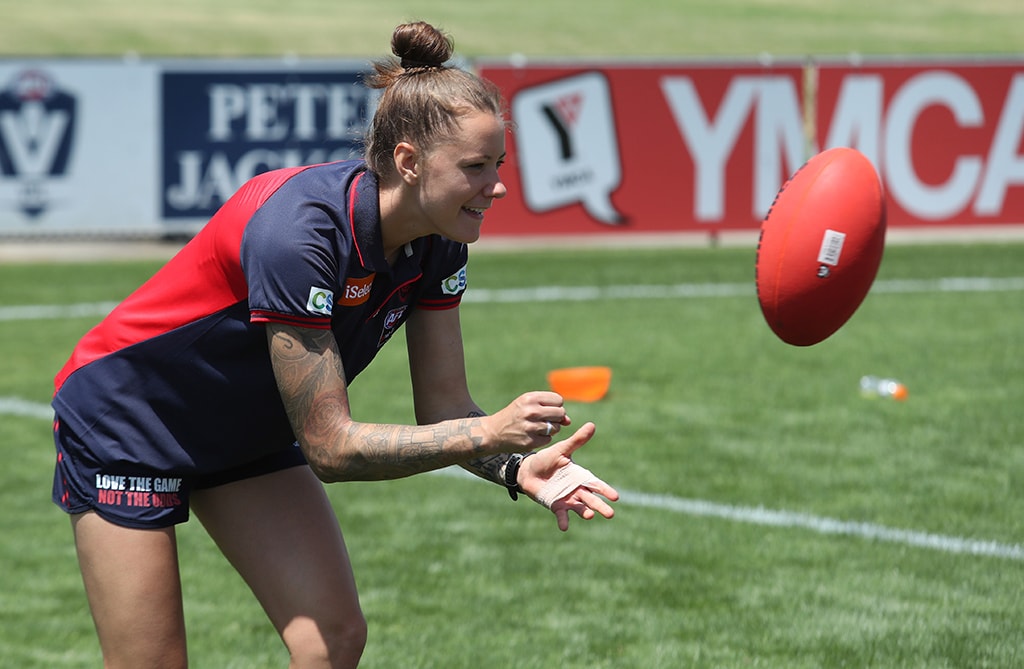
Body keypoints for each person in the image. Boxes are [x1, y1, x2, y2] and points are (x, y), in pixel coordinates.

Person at [50, 20, 619, 669]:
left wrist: (517, 468)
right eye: (475, 167)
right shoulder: (301, 234)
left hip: (244, 432)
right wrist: (491, 434)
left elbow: (444, 404)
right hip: (130, 419)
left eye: (498, 165)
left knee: (332, 640)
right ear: (408, 161)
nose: (498, 186)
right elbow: (329, 447)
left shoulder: (441, 241)